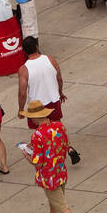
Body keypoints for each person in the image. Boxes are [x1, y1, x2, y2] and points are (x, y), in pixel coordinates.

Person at [18, 100, 82, 213]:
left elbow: (38, 163)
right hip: (61, 172)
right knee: (55, 206)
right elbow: (65, 146)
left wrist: (28, 157)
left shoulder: (37, 135)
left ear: (35, 117)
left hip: (49, 178)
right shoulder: (59, 126)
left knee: (63, 209)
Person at [17, 37, 80, 165]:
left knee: (41, 131)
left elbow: (22, 93)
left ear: (24, 51)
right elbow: (59, 78)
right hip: (53, 99)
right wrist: (60, 92)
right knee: (58, 126)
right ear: (37, 46)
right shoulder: (50, 59)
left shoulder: (24, 69)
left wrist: (21, 109)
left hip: (37, 105)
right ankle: (69, 147)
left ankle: (45, 152)